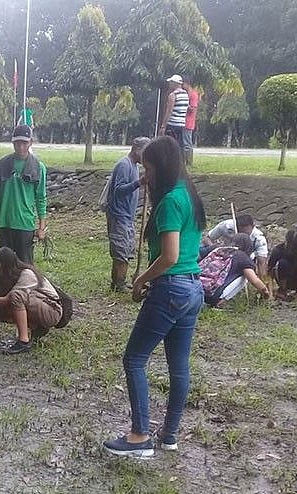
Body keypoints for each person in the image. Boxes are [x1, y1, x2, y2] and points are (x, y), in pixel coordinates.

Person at [103, 135, 206, 459]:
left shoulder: (172, 200)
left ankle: (139, 437)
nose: (144, 177)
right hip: (192, 289)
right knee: (178, 366)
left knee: (133, 359)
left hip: (171, 287)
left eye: (147, 169)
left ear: (161, 166)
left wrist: (140, 279)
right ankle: (170, 435)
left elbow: (170, 256)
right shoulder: (188, 195)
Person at [0, 247, 61, 355]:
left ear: (9, 267)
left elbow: (9, 300)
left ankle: (23, 341)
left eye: (1, 269)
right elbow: (2, 307)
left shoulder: (27, 274)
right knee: (10, 302)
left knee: (15, 297)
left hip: (52, 311)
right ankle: (36, 327)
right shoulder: (10, 278)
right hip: (39, 307)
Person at [0, 124, 47, 265]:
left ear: (30, 142)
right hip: (4, 222)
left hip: (25, 224)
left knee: (25, 267)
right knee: (3, 265)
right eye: (17, 143)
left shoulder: (38, 167)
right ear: (13, 143)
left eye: (24, 143)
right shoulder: (3, 164)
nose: (20, 147)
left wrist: (41, 226)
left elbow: (41, 198)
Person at [106, 137, 150, 292]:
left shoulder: (135, 166)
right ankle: (118, 284)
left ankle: (120, 281)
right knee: (121, 250)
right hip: (119, 215)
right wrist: (138, 183)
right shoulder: (124, 165)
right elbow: (118, 190)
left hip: (127, 216)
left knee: (126, 249)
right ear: (136, 150)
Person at [200, 233, 270, 307]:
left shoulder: (217, 248)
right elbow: (254, 280)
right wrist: (265, 292)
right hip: (212, 296)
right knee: (245, 277)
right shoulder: (242, 256)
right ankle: (220, 302)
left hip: (196, 288)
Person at [202, 213, 269, 277]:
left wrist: (263, 280)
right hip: (223, 257)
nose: (242, 235)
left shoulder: (259, 239)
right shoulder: (226, 226)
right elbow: (207, 238)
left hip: (246, 260)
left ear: (253, 226)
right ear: (236, 226)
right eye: (240, 231)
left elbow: (261, 262)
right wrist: (216, 251)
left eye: (246, 233)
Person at [157, 74, 189, 151]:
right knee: (178, 146)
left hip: (172, 124)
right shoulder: (185, 94)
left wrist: (163, 126)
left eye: (171, 82)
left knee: (169, 147)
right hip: (181, 124)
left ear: (175, 83)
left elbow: (169, 111)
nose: (169, 84)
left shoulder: (173, 95)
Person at [182, 77, 199, 166]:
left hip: (189, 122)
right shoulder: (187, 94)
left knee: (187, 143)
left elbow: (192, 109)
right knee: (184, 143)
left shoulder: (193, 95)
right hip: (183, 121)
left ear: (187, 83)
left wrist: (185, 103)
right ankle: (184, 161)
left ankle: (189, 162)